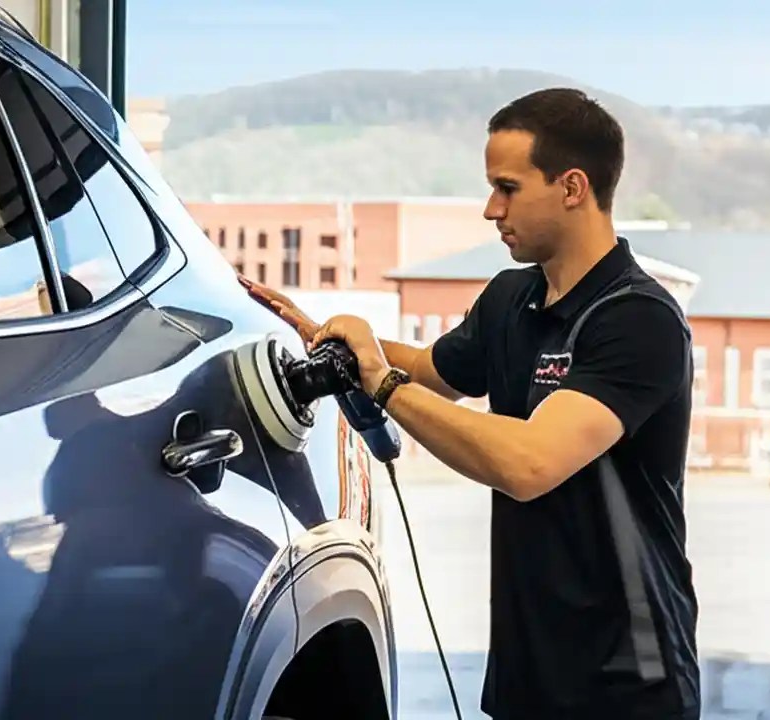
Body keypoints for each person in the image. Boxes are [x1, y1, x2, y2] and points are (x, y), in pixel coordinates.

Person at [240, 87, 701, 719]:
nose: (491, 209)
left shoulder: (636, 320)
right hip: (526, 672)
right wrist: (339, 341)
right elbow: (436, 371)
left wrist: (379, 383)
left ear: (572, 187)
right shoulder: (512, 298)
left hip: (625, 683)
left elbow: (529, 464)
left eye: (508, 187)